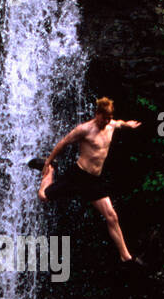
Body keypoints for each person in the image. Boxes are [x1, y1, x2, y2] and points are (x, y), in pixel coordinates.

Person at [38, 97, 142, 263]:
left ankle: (125, 256)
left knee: (112, 216)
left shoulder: (111, 125)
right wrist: (48, 161)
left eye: (110, 118)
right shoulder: (84, 129)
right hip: (78, 176)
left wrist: (127, 124)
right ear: (97, 114)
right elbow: (63, 143)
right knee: (43, 196)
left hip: (94, 180)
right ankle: (50, 172)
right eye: (105, 118)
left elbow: (119, 123)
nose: (107, 121)